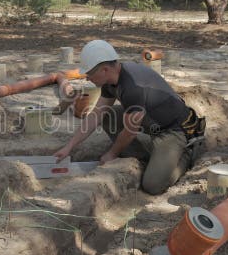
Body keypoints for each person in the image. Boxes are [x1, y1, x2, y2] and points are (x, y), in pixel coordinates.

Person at [53, 40, 204, 195]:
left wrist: (112, 153)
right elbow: (97, 114)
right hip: (152, 120)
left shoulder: (132, 87)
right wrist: (69, 147)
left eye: (89, 74)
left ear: (104, 70)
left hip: (174, 130)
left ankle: (184, 154)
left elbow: (130, 131)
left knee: (153, 185)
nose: (87, 79)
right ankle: (146, 157)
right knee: (108, 116)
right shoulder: (110, 81)